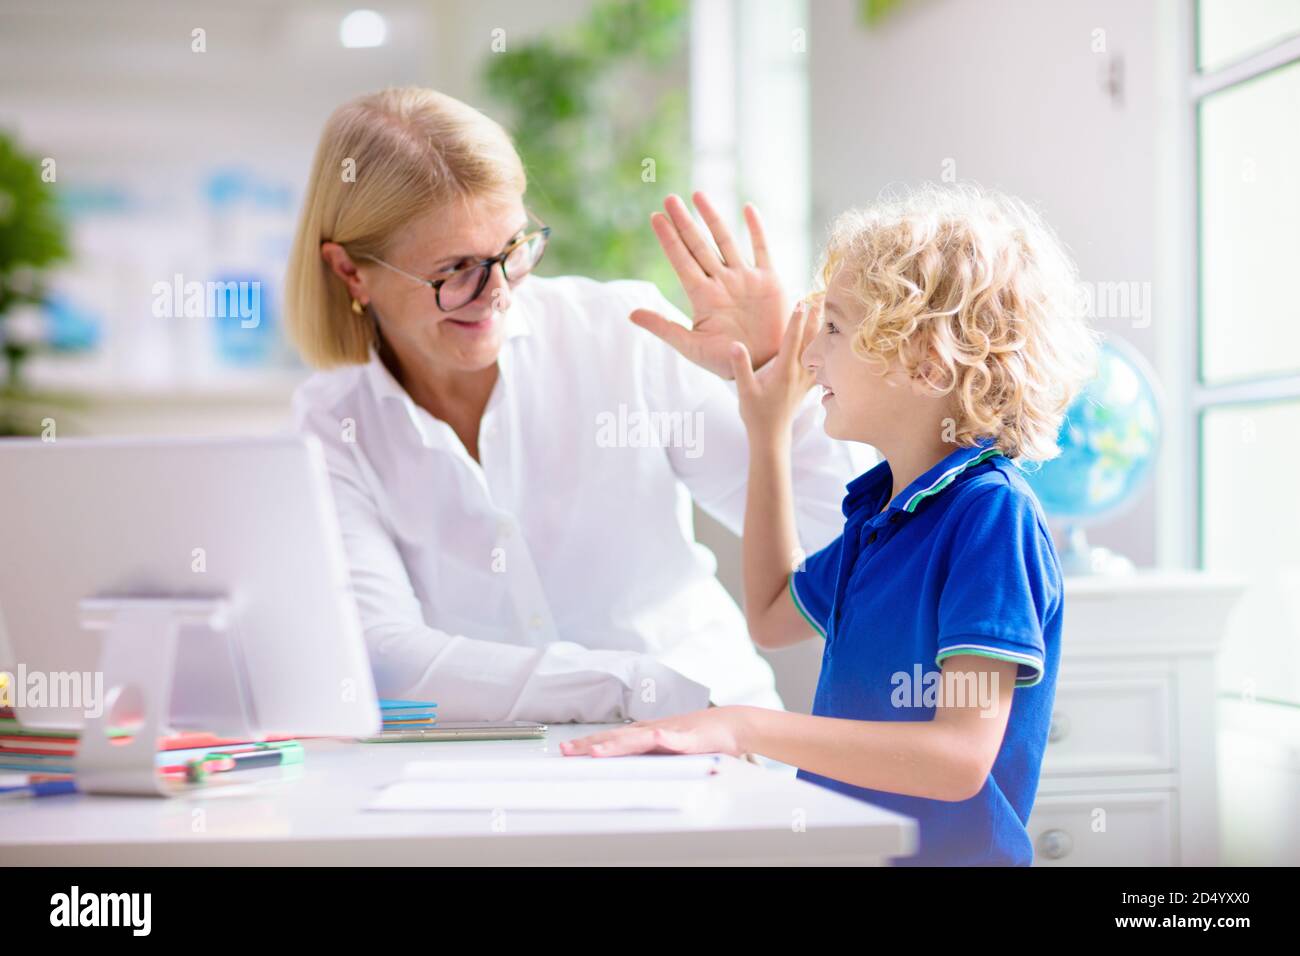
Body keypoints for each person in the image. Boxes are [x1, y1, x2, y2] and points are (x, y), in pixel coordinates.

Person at [284, 86, 862, 723]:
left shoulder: (618, 334)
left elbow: (845, 538)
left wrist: (776, 379)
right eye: (455, 271)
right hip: (516, 776)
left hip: (715, 737)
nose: (497, 293)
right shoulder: (333, 424)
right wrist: (630, 687)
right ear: (349, 272)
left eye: (513, 249)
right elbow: (386, 655)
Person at [562, 184, 1100, 865]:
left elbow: (958, 758)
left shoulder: (989, 514)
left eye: (835, 329)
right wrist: (767, 435)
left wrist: (743, 727)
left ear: (928, 361)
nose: (809, 354)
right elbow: (770, 614)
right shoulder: (885, 510)